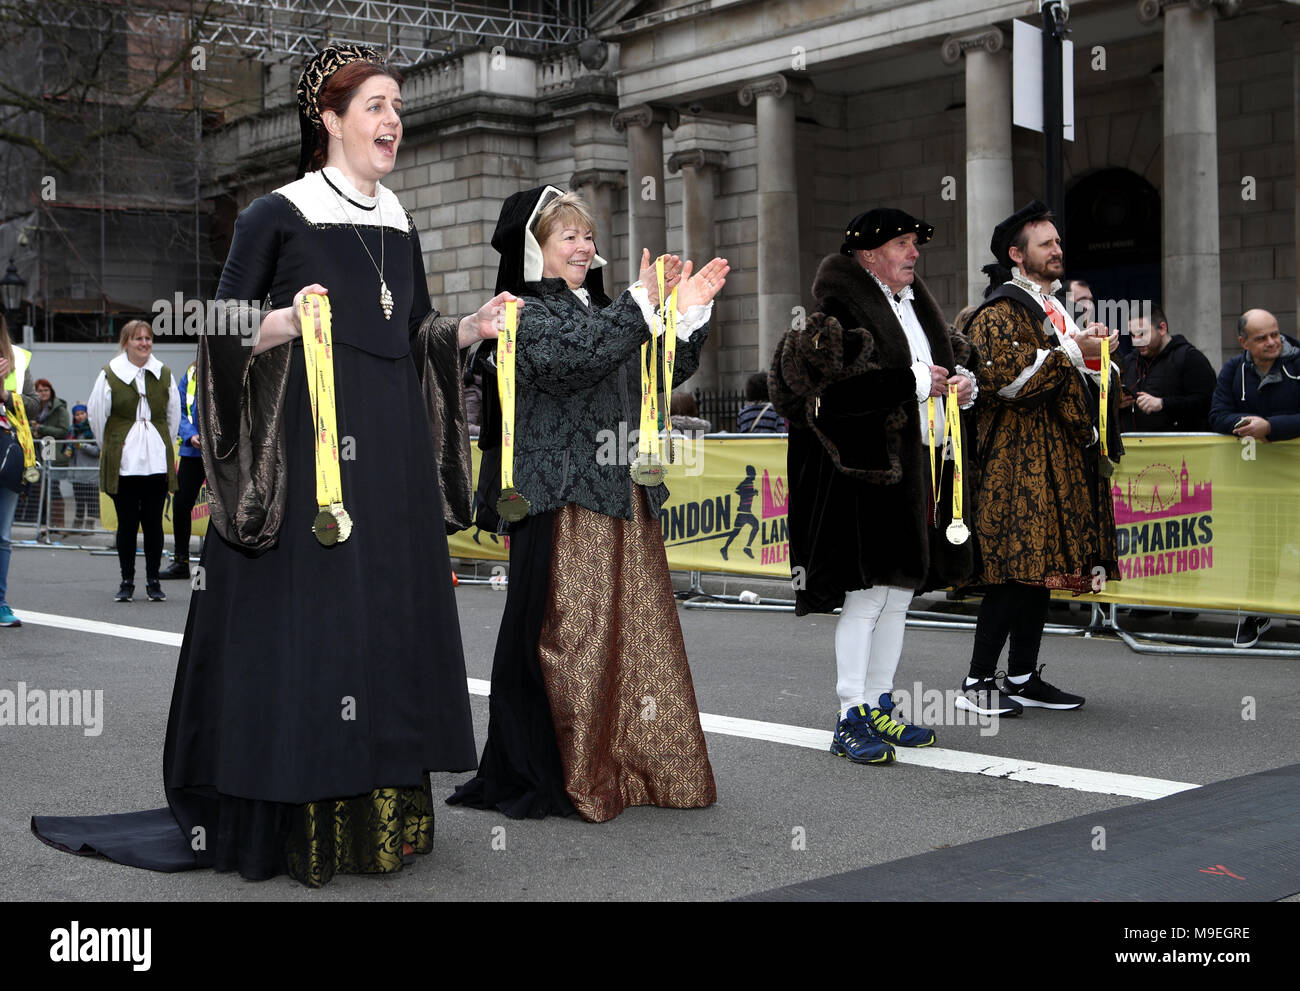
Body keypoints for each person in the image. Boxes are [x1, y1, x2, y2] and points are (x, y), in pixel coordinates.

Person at [33, 44, 504, 887]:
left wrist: (466, 331)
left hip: (387, 463)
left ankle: (378, 812)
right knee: (318, 634)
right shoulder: (275, 213)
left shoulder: (400, 219)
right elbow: (217, 326)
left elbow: (413, 332)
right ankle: (302, 821)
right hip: (310, 465)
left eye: (397, 105)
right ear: (328, 119)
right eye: (374, 105)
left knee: (381, 629)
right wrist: (282, 323)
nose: (392, 119)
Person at [448, 185, 727, 822]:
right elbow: (578, 361)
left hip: (619, 486)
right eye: (568, 236)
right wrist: (641, 304)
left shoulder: (601, 311)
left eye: (588, 235)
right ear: (535, 249)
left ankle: (628, 762)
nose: (585, 246)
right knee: (573, 637)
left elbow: (653, 373)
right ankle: (569, 768)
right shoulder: (521, 313)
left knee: (634, 634)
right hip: (563, 497)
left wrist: (686, 315)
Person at [770, 207, 976, 763]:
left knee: (899, 595)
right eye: (902, 244)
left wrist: (957, 385)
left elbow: (937, 371)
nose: (913, 253)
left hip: (917, 468)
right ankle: (848, 714)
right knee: (865, 600)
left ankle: (879, 702)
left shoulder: (913, 307)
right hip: (865, 476)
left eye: (915, 244)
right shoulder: (835, 317)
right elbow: (828, 399)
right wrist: (913, 381)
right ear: (867, 255)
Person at [958, 201, 1121, 716]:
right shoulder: (998, 312)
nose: (1057, 250)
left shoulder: (1054, 307)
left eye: (1057, 241)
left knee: (1042, 571)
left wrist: (1095, 359)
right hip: (1015, 463)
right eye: (1045, 243)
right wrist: (1074, 352)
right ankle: (977, 681)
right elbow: (1009, 382)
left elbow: (1072, 379)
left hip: (1058, 457)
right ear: (1016, 254)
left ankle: (1023, 676)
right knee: (1012, 572)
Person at [1208, 308, 1300, 648]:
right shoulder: (1234, 369)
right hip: (1259, 479)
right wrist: (1248, 423)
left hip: (1296, 473)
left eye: (1275, 334)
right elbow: (1217, 414)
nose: (1273, 342)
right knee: (1264, 549)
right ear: (1243, 341)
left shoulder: (1297, 362)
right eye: (1261, 338)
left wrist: (1272, 428)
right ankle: (1256, 614)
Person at [85, 320, 180, 603]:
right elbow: (96, 415)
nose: (144, 343)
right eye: (138, 339)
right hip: (124, 461)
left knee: (153, 523)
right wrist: (113, 445)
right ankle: (127, 580)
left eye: (148, 338)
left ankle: (153, 580)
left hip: (155, 461)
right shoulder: (110, 374)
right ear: (126, 342)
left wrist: (161, 443)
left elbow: (172, 415)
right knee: (127, 523)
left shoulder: (163, 373)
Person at [1118, 306, 1216, 433]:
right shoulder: (1129, 361)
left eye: (1142, 333)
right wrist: (1117, 404)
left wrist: (1163, 404)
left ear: (1162, 328)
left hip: (1178, 448)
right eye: (1132, 335)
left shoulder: (1189, 357)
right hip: (1135, 447)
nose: (1137, 341)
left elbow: (1208, 403)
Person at [0, 314, 40, 628]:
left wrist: (4, 394)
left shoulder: (18, 358)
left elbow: (35, 405)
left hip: (9, 452)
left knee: (2, 535)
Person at [159, 358, 204, 580]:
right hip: (193, 450)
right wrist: (190, 434)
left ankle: (223, 561)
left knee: (225, 508)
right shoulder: (192, 372)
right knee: (181, 505)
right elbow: (179, 410)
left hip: (222, 452)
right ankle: (181, 561)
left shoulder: (233, 363)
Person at [62, 403, 100, 530]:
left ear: (87, 414)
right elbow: (66, 447)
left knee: (91, 501)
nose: (79, 417)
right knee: (79, 500)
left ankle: (90, 526)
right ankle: (77, 526)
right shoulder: (72, 431)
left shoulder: (93, 430)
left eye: (82, 413)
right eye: (76, 415)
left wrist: (82, 445)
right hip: (76, 473)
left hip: (90, 474)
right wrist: (68, 449)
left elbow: (98, 451)